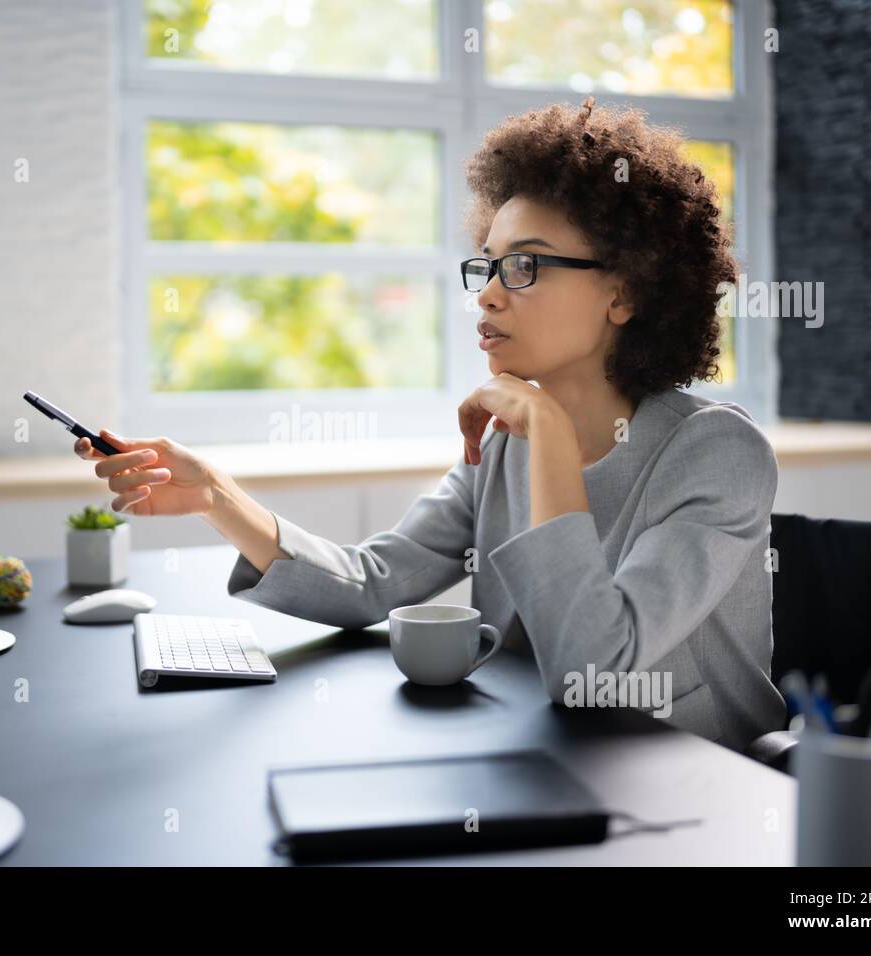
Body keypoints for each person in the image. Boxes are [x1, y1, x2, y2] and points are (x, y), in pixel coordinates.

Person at [75, 97, 785, 752]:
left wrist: (551, 440)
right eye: (490, 266)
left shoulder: (717, 454)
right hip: (541, 759)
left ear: (624, 292)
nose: (491, 298)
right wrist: (217, 496)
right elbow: (371, 582)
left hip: (686, 788)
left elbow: (591, 670)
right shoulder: (509, 440)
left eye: (528, 266)